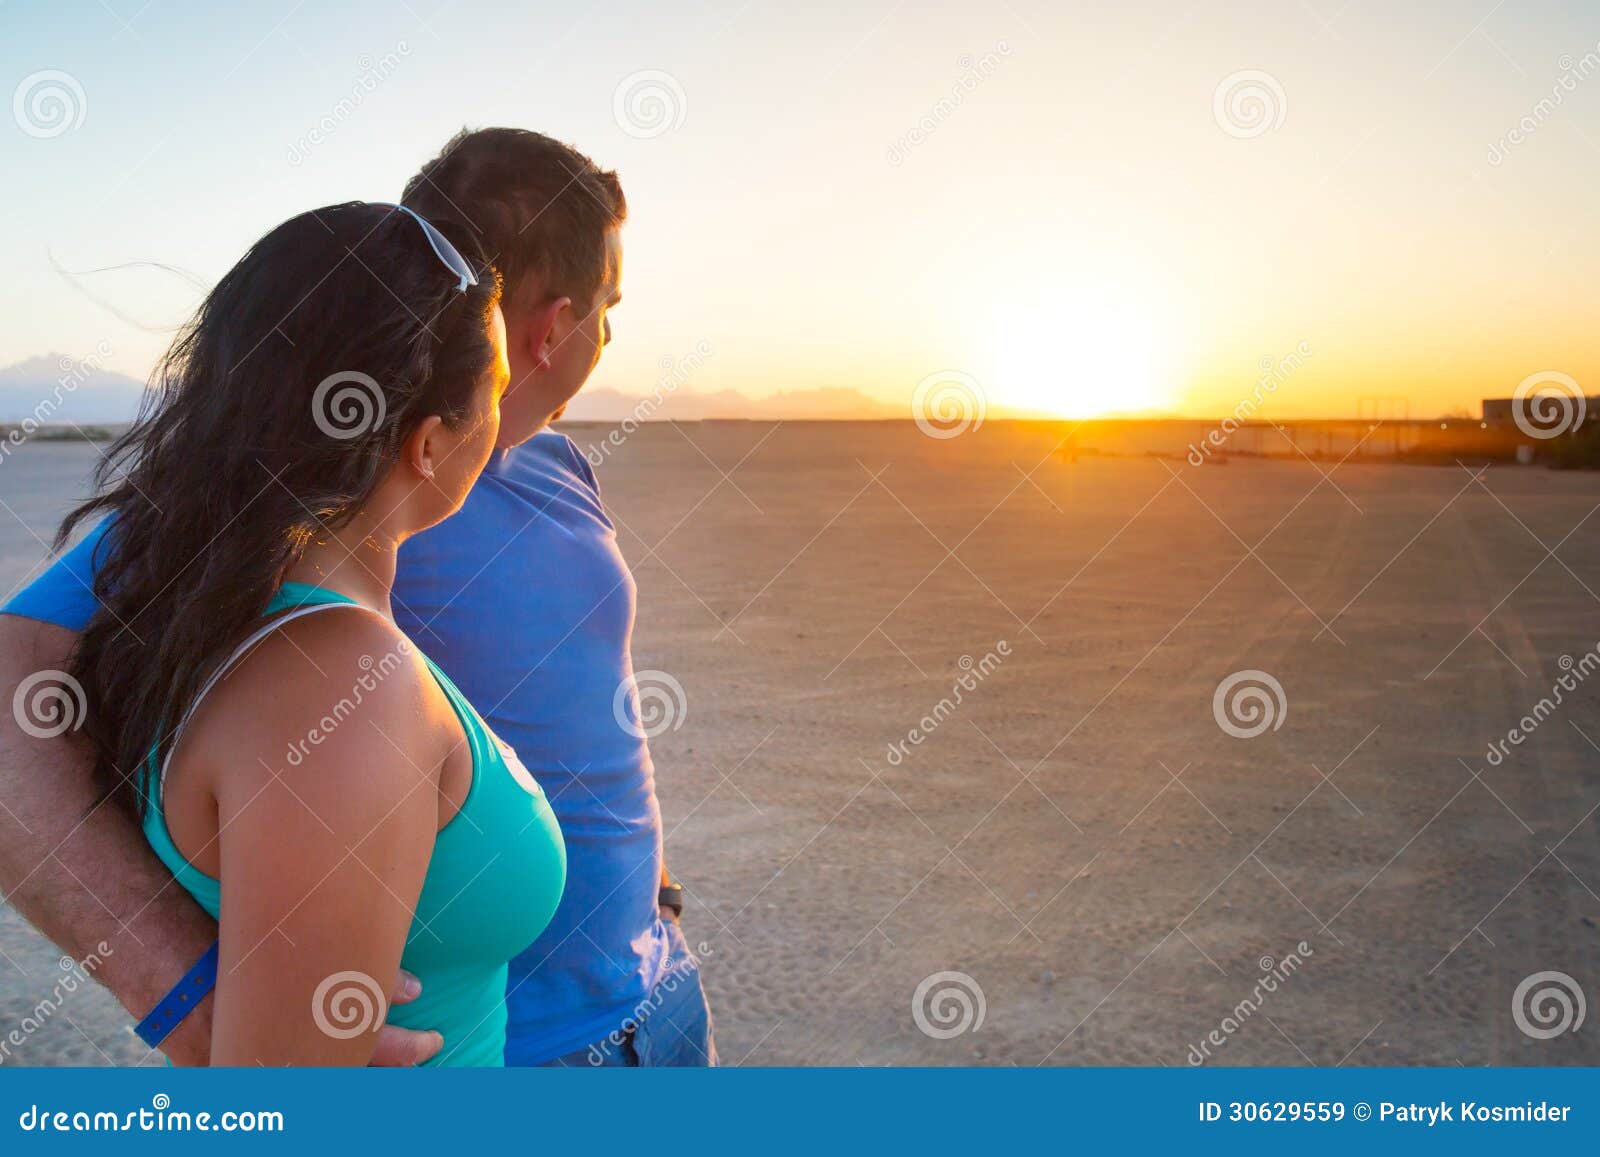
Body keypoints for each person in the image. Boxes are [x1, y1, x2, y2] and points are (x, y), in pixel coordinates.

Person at [0, 128, 715, 1067]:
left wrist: (648, 888)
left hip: (653, 997)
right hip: (503, 1049)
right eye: (607, 309)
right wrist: (178, 984)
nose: (610, 334)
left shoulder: (558, 463)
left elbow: (585, 690)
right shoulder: (289, 484)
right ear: (557, 321)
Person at [37, 200, 566, 1065]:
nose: (506, 422)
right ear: (429, 444)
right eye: (497, 393)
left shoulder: (216, 604)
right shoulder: (343, 686)